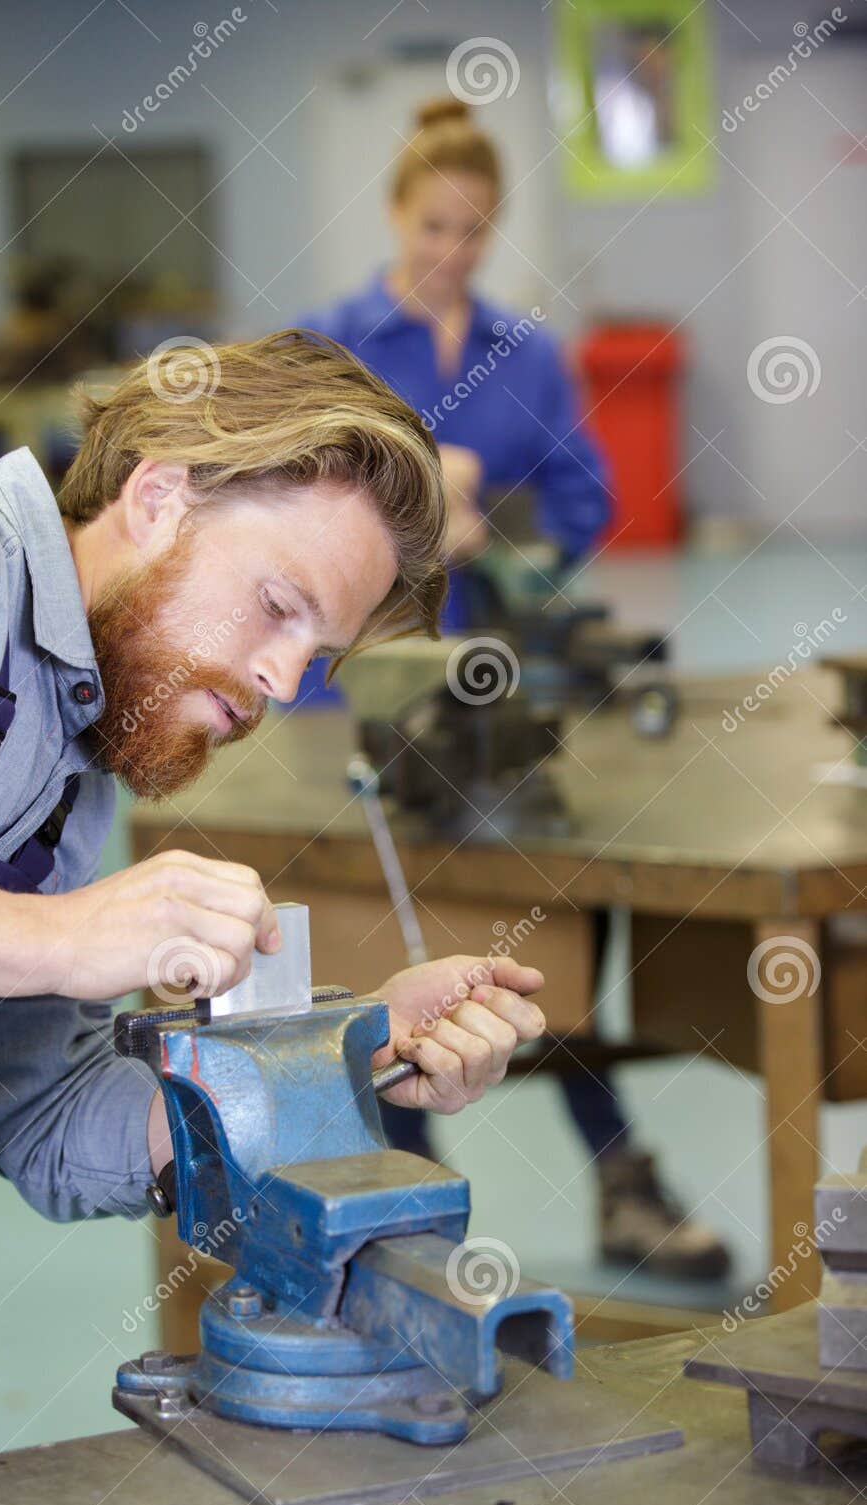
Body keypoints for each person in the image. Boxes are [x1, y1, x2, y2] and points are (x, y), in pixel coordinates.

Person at [0, 330, 548, 1224]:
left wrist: (348, 1050)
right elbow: (53, 942)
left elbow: (53, 1123)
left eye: (318, 651)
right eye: (277, 607)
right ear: (158, 498)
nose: (282, 680)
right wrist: (65, 936)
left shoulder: (69, 774)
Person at [299, 99, 729, 1281]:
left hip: (488, 698)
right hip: (349, 694)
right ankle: (411, 1220)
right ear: (393, 211)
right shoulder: (328, 348)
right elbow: (279, 498)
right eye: (434, 224)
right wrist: (416, 494)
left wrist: (499, 520)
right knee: (374, 947)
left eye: (474, 232)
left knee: (540, 933)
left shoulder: (523, 354)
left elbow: (587, 503)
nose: (451, 250)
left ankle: (619, 1181)